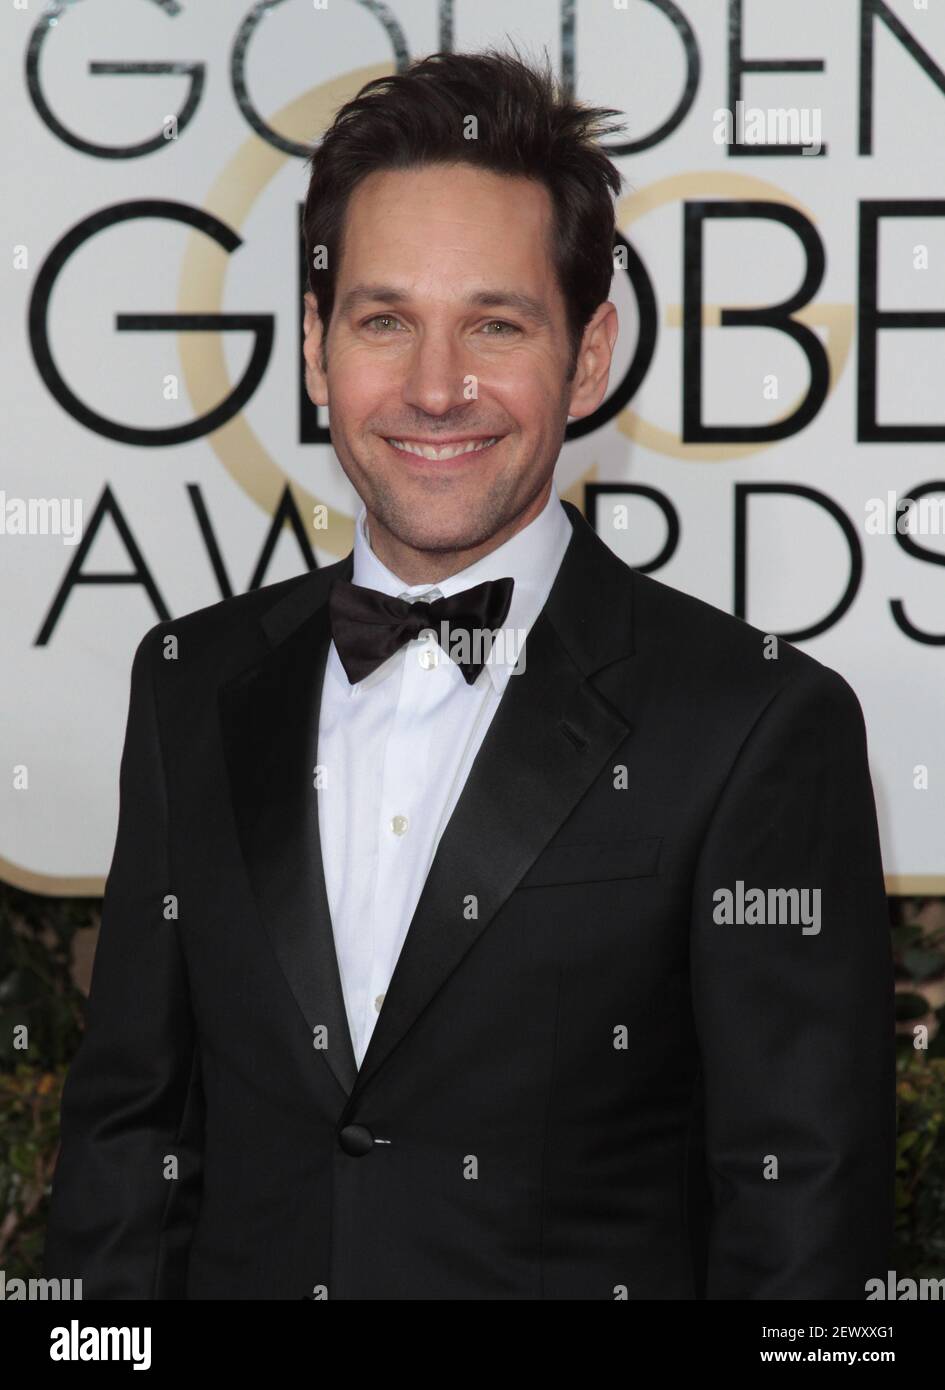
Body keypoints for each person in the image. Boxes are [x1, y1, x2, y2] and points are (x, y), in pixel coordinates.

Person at [44, 47, 895, 1300]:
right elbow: (129, 1148)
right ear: (319, 352)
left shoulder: (756, 721)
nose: (437, 388)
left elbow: (801, 1221)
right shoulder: (190, 683)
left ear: (589, 356)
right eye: (385, 320)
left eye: (496, 324)